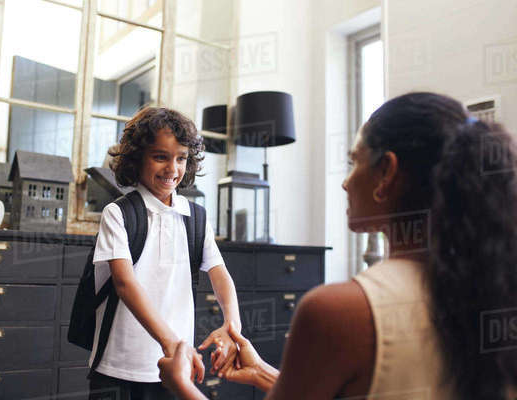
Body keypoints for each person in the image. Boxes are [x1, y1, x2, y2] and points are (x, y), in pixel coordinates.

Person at [158, 92, 517, 399]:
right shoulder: (497, 285)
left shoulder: (338, 310)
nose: (345, 183)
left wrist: (182, 386)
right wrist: (263, 374)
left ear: (386, 173)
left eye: (353, 161)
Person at [89, 107, 242, 400]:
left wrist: (232, 325)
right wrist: (170, 342)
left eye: (181, 158)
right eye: (161, 157)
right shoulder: (118, 214)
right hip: (119, 366)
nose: (172, 168)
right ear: (137, 159)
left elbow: (219, 273)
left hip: (174, 369)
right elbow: (124, 283)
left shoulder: (195, 217)